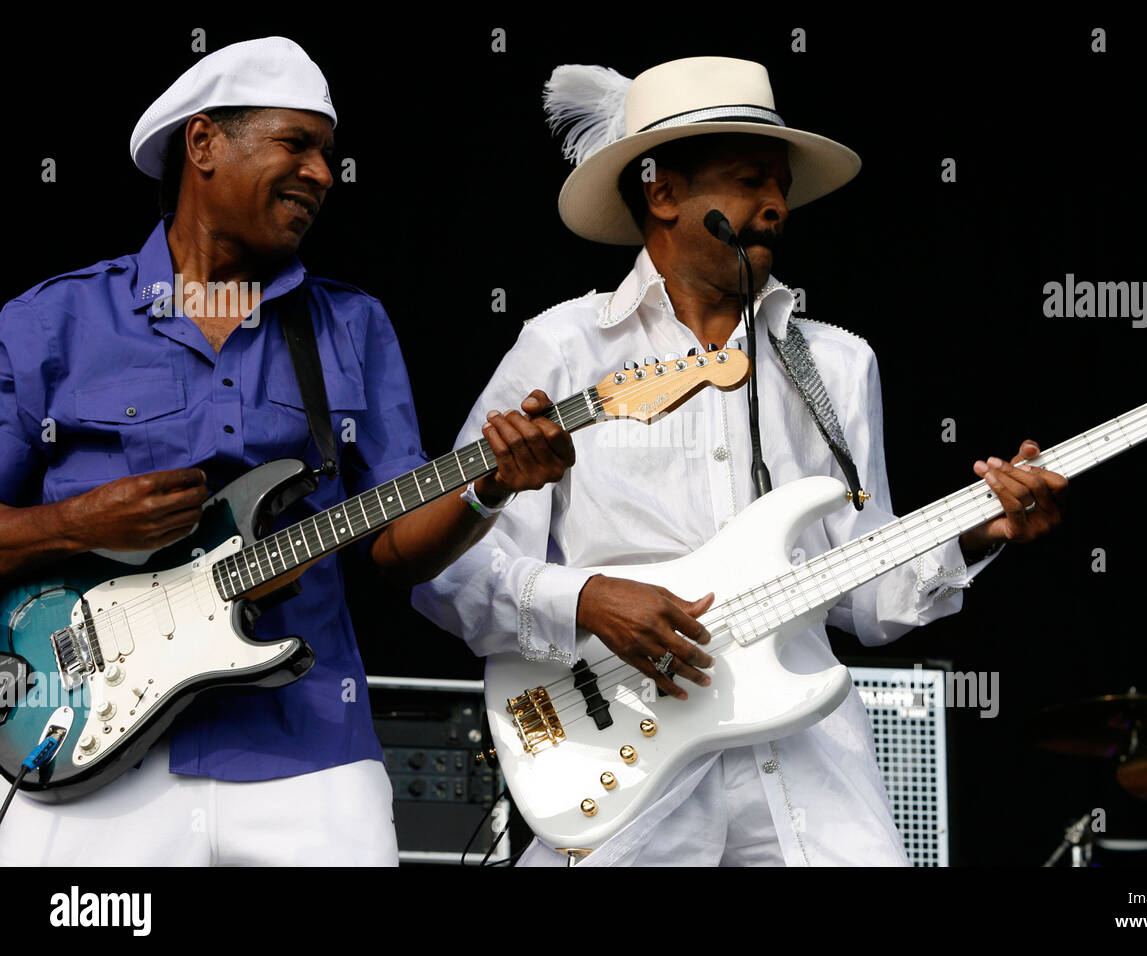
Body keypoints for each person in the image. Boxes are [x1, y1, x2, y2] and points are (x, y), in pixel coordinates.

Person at [414, 55, 1067, 866]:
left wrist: (979, 531)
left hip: (807, 757)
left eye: (784, 187)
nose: (777, 208)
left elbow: (867, 594)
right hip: (621, 749)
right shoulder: (561, 347)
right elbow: (449, 569)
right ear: (662, 193)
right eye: (752, 180)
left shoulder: (838, 363)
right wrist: (587, 598)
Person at [0, 36, 574, 865]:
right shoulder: (53, 322)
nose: (321, 173)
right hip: (81, 749)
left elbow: (395, 549)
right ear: (203, 145)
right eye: (295, 144)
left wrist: (490, 487)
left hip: (305, 748)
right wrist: (76, 524)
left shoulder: (352, 326)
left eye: (329, 155)